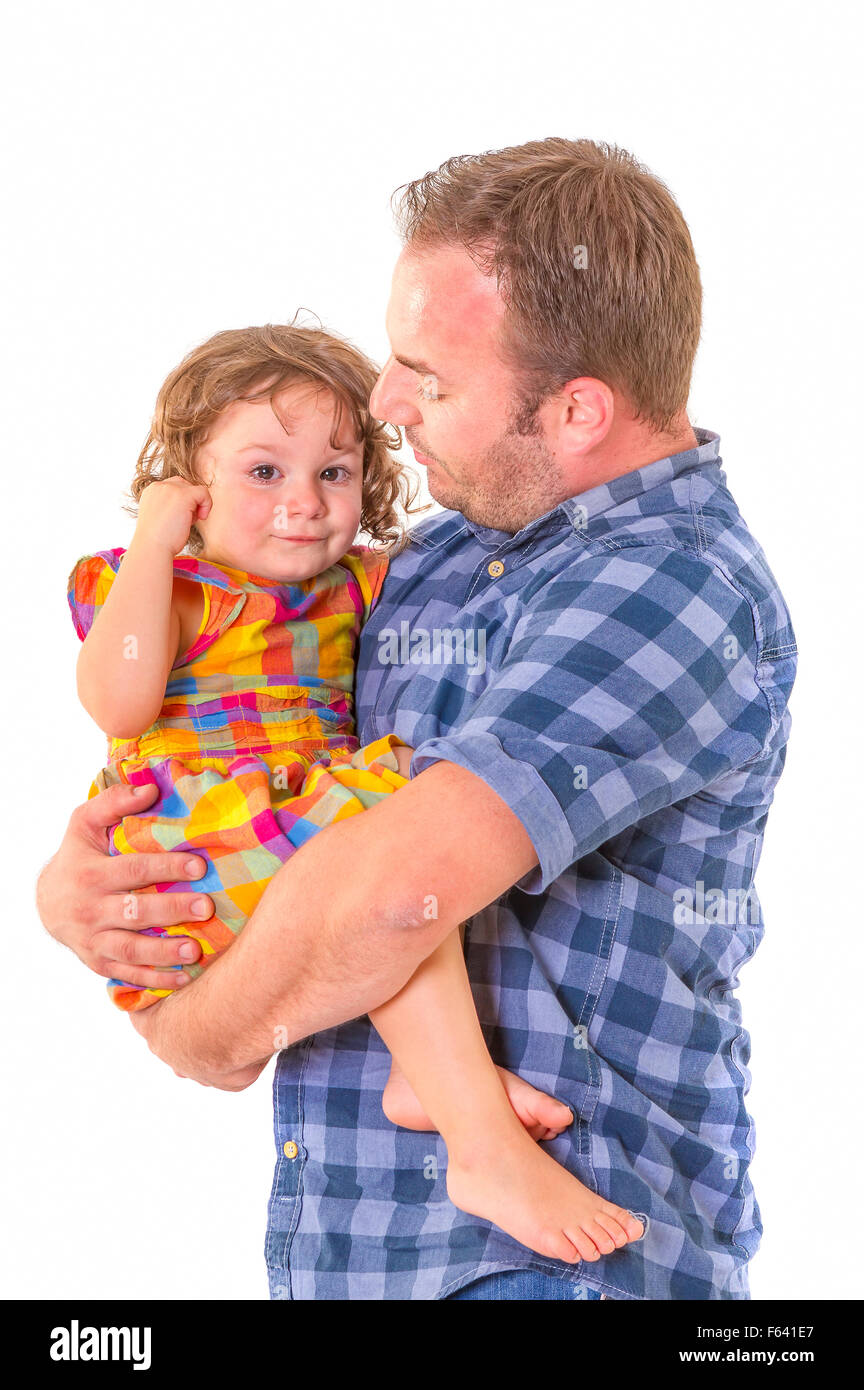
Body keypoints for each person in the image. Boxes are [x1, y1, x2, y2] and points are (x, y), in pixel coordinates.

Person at [38, 138, 796, 1300]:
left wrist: (195, 1029)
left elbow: (394, 890)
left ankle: (482, 1139)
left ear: (580, 409)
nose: (384, 406)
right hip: (351, 1255)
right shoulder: (437, 560)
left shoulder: (670, 585)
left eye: (427, 377)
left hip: (546, 1270)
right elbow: (237, 751)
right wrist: (82, 892)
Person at [65, 319, 644, 1265]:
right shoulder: (166, 586)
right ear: (190, 487)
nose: (302, 502)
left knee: (402, 864)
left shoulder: (355, 586)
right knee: (389, 834)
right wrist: (154, 541)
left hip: (296, 837)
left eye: (333, 474)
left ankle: (432, 1084)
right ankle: (482, 1143)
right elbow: (118, 703)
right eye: (263, 474)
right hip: (198, 834)